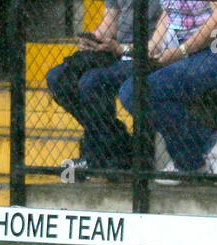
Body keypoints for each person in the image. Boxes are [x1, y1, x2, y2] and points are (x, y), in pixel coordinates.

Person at [118, 2, 217, 173]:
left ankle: (202, 148)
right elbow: (170, 13)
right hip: (180, 49)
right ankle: (194, 157)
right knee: (128, 91)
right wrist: (153, 46)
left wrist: (182, 51)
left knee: (137, 92)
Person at [47, 0, 161, 174]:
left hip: (147, 55)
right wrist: (94, 39)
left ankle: (98, 156)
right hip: (115, 50)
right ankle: (118, 144)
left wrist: (122, 48)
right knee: (57, 78)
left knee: (91, 82)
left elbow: (162, 41)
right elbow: (110, 23)